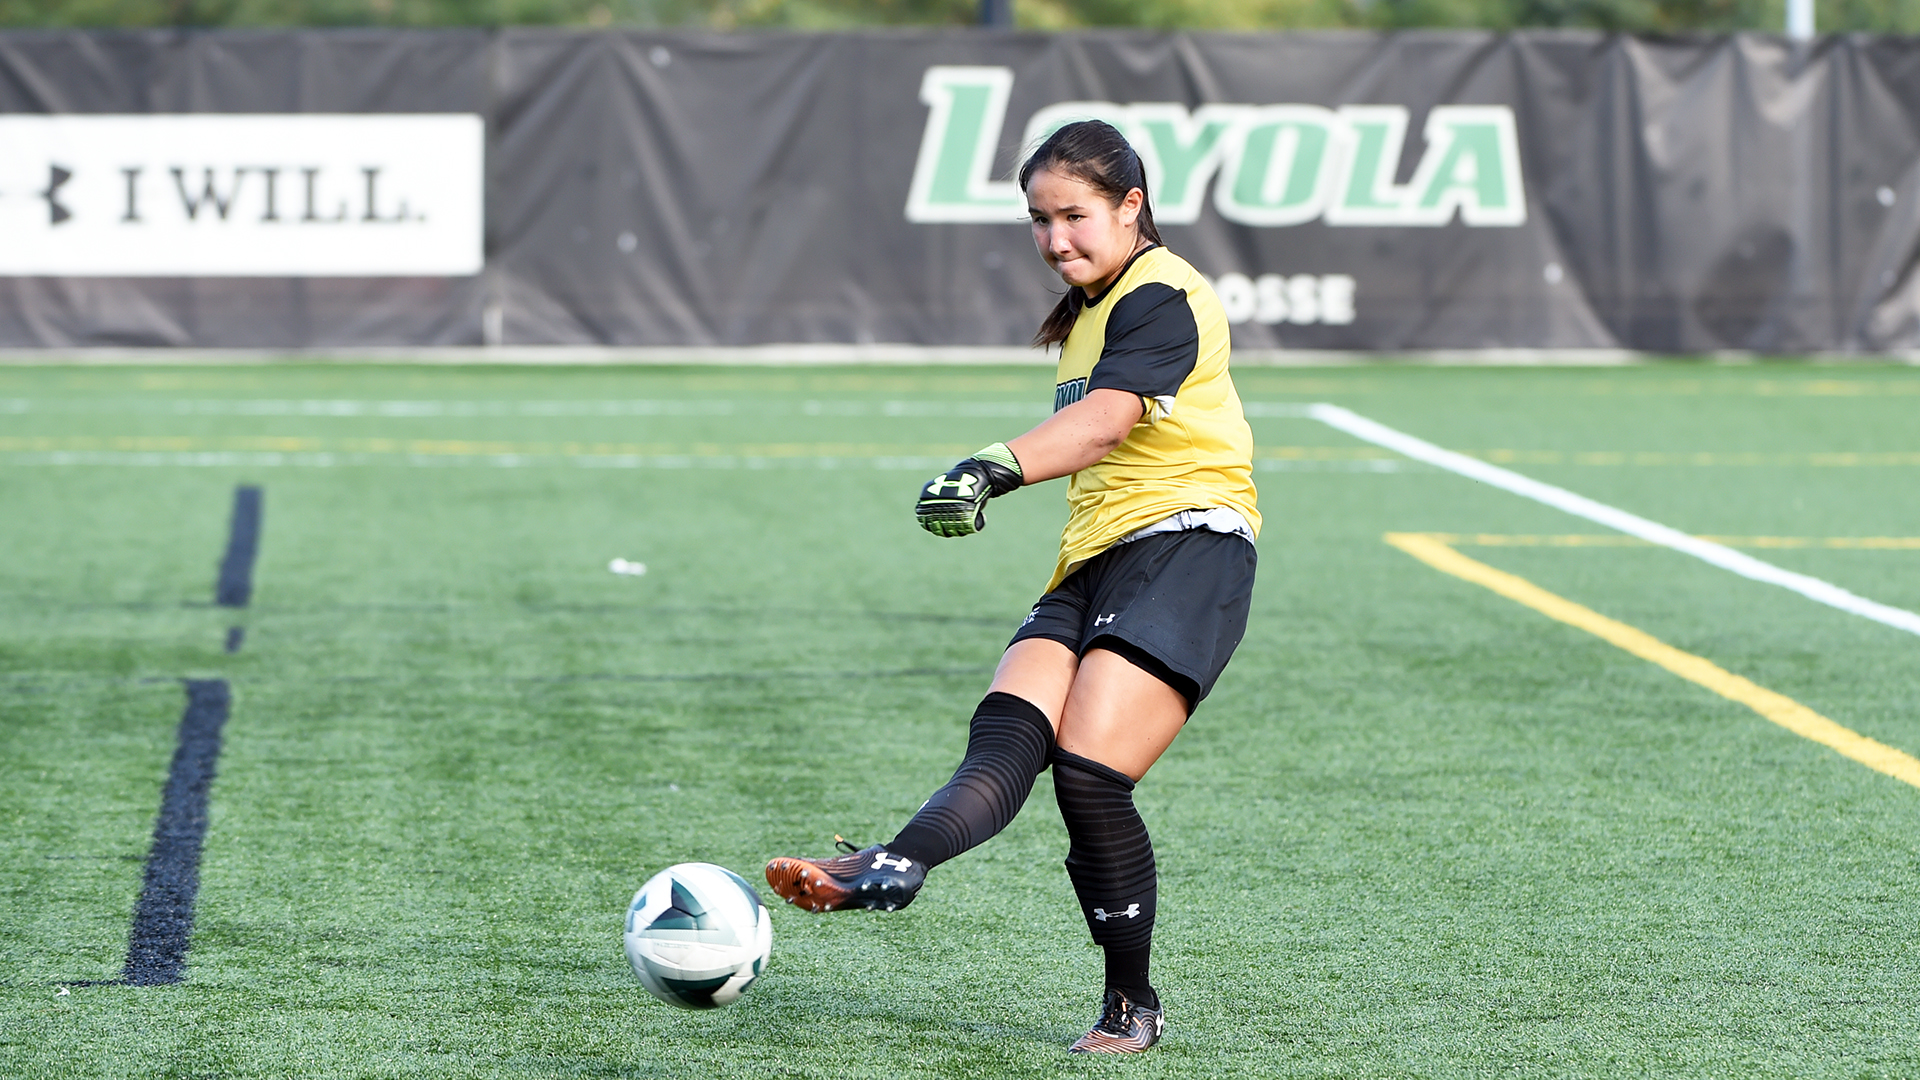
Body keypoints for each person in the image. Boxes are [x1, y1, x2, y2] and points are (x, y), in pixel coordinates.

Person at [764, 119, 1258, 1055]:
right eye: (1039, 220)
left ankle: (1132, 1007)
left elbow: (1106, 424)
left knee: (1088, 771)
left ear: (1131, 206)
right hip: (1095, 559)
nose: (1056, 238)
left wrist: (992, 466)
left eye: (1075, 215)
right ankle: (893, 862)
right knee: (1005, 741)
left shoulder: (1162, 294)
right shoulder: (1092, 309)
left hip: (1191, 548)